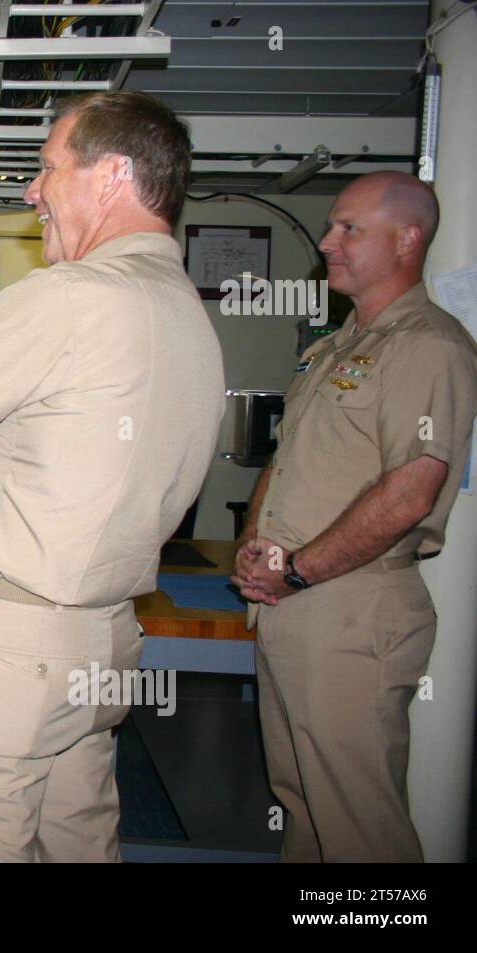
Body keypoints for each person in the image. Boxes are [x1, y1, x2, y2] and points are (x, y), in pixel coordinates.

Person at [0, 91, 225, 862]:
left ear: (112, 176)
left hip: (14, 650)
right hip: (103, 634)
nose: (33, 191)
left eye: (48, 169)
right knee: (78, 836)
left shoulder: (65, 297)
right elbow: (83, 437)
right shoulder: (189, 318)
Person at [232, 171, 477, 862]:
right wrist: (254, 542)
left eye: (349, 229)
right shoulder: (336, 347)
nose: (327, 242)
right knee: (305, 805)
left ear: (406, 239)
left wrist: (298, 572)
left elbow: (410, 492)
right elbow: (286, 461)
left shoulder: (427, 346)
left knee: (357, 826)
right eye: (330, 226)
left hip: (350, 610)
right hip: (293, 606)